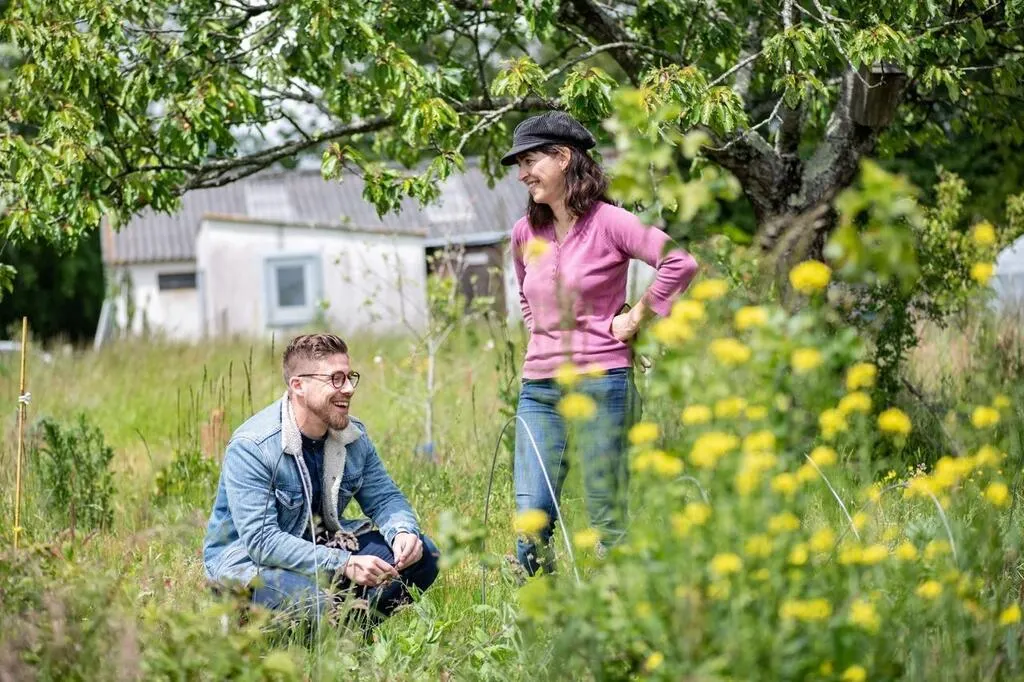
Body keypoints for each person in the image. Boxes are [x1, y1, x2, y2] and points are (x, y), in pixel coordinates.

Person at [503, 111, 698, 574]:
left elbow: (680, 263)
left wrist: (635, 320)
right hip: (540, 390)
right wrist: (541, 335)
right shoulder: (524, 232)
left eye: (530, 160)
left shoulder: (610, 221)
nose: (522, 173)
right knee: (531, 518)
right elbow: (525, 295)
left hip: (603, 381)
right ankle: (540, 619)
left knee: (606, 515)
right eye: (519, 164)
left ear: (564, 157)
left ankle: (622, 612)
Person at [203, 333, 439, 620]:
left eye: (350, 377)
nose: (349, 388)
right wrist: (343, 563)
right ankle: (288, 627)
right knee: (315, 603)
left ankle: (352, 633)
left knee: (425, 555)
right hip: (249, 565)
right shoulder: (253, 447)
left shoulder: (353, 437)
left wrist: (403, 532)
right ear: (298, 386)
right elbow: (263, 542)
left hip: (320, 548)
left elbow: (385, 498)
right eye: (336, 379)